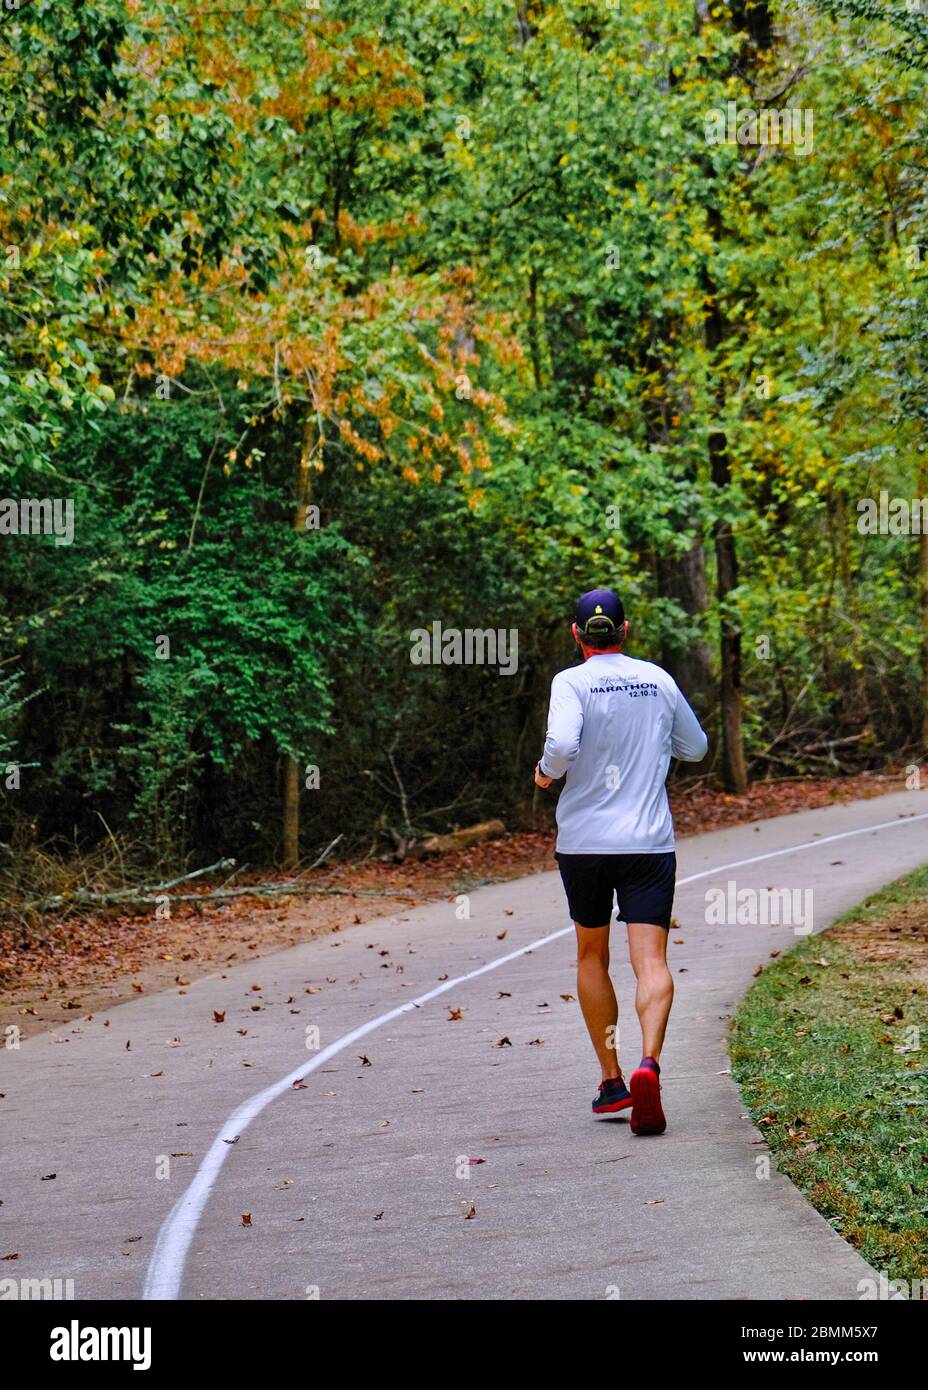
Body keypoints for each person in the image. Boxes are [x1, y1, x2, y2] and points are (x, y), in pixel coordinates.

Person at [534, 589, 708, 1135]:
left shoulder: (571, 681)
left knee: (592, 954)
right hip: (648, 842)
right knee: (650, 961)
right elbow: (696, 747)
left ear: (577, 633)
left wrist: (546, 772)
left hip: (585, 843)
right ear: (625, 631)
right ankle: (648, 1063)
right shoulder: (657, 679)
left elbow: (561, 745)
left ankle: (612, 1082)